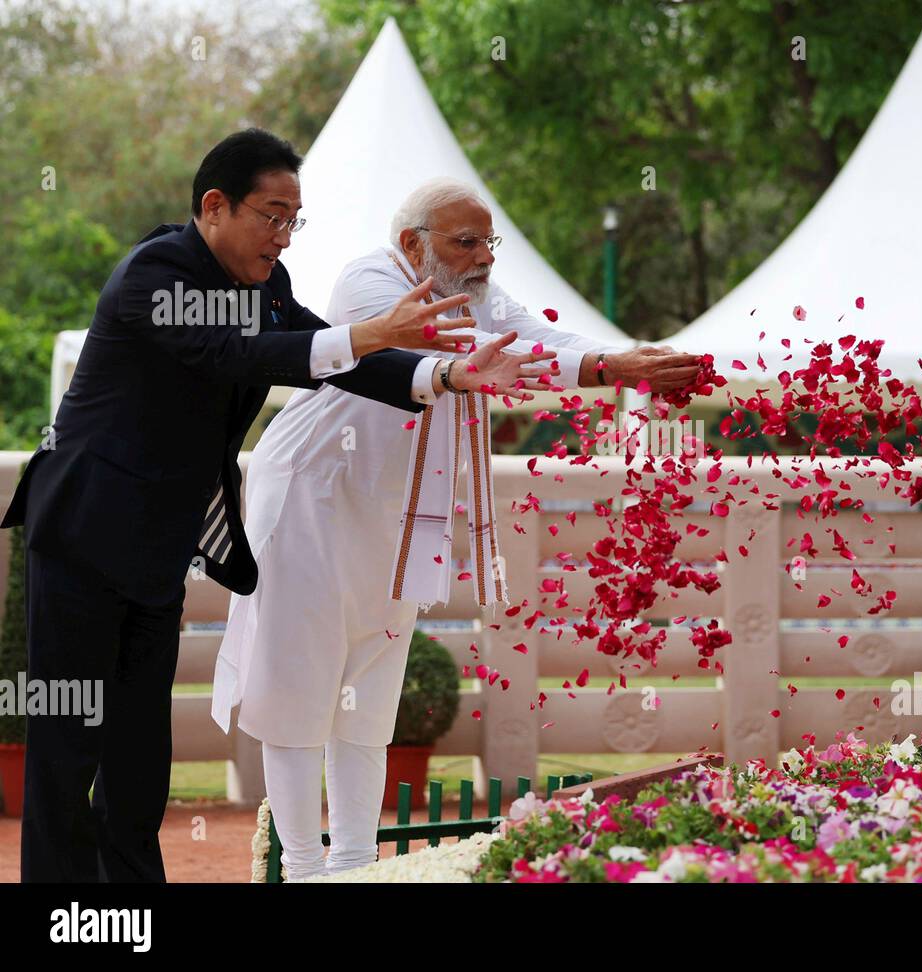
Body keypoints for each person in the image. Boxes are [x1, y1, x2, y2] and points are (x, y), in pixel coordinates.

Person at [0, 129, 547, 882]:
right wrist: (369, 333)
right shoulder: (157, 275)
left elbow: (332, 358)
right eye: (272, 215)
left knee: (138, 757)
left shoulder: (268, 282)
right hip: (82, 536)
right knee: (68, 749)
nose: (284, 235)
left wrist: (447, 379)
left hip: (157, 549)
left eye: (296, 220)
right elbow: (241, 355)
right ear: (216, 206)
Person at [211, 177, 701, 880]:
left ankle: (353, 863)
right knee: (298, 688)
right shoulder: (369, 280)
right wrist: (569, 369)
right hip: (308, 500)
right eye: (466, 241)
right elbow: (421, 363)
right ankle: (306, 870)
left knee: (369, 702)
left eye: (488, 242)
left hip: (389, 519)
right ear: (414, 243)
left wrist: (619, 363)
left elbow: (530, 342)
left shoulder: (477, 296)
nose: (485, 257)